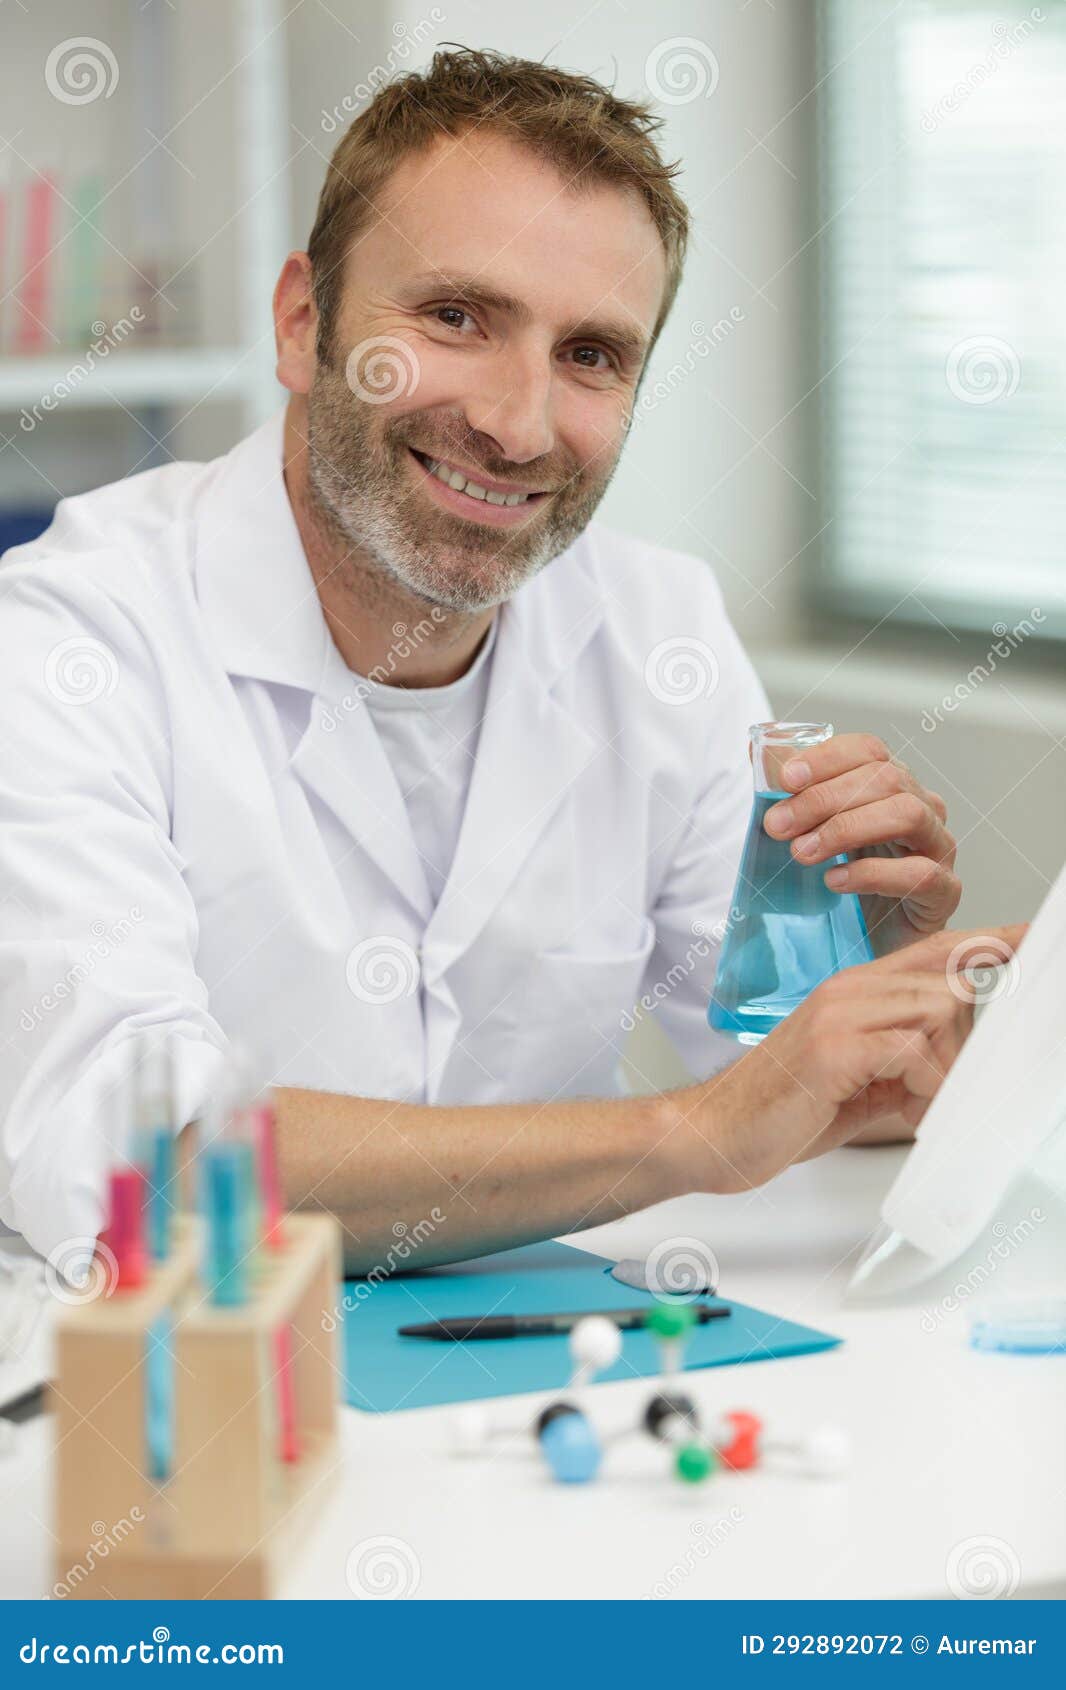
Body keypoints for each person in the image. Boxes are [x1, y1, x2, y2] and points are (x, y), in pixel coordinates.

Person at [0, 47, 1000, 1274]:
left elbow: (773, 1078)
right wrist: (687, 1133)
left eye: (590, 355)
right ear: (303, 323)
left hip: (547, 1359)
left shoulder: (660, 631)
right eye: (455, 318)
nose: (516, 425)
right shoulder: (68, 641)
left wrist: (883, 995)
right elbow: (135, 1166)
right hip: (172, 1372)